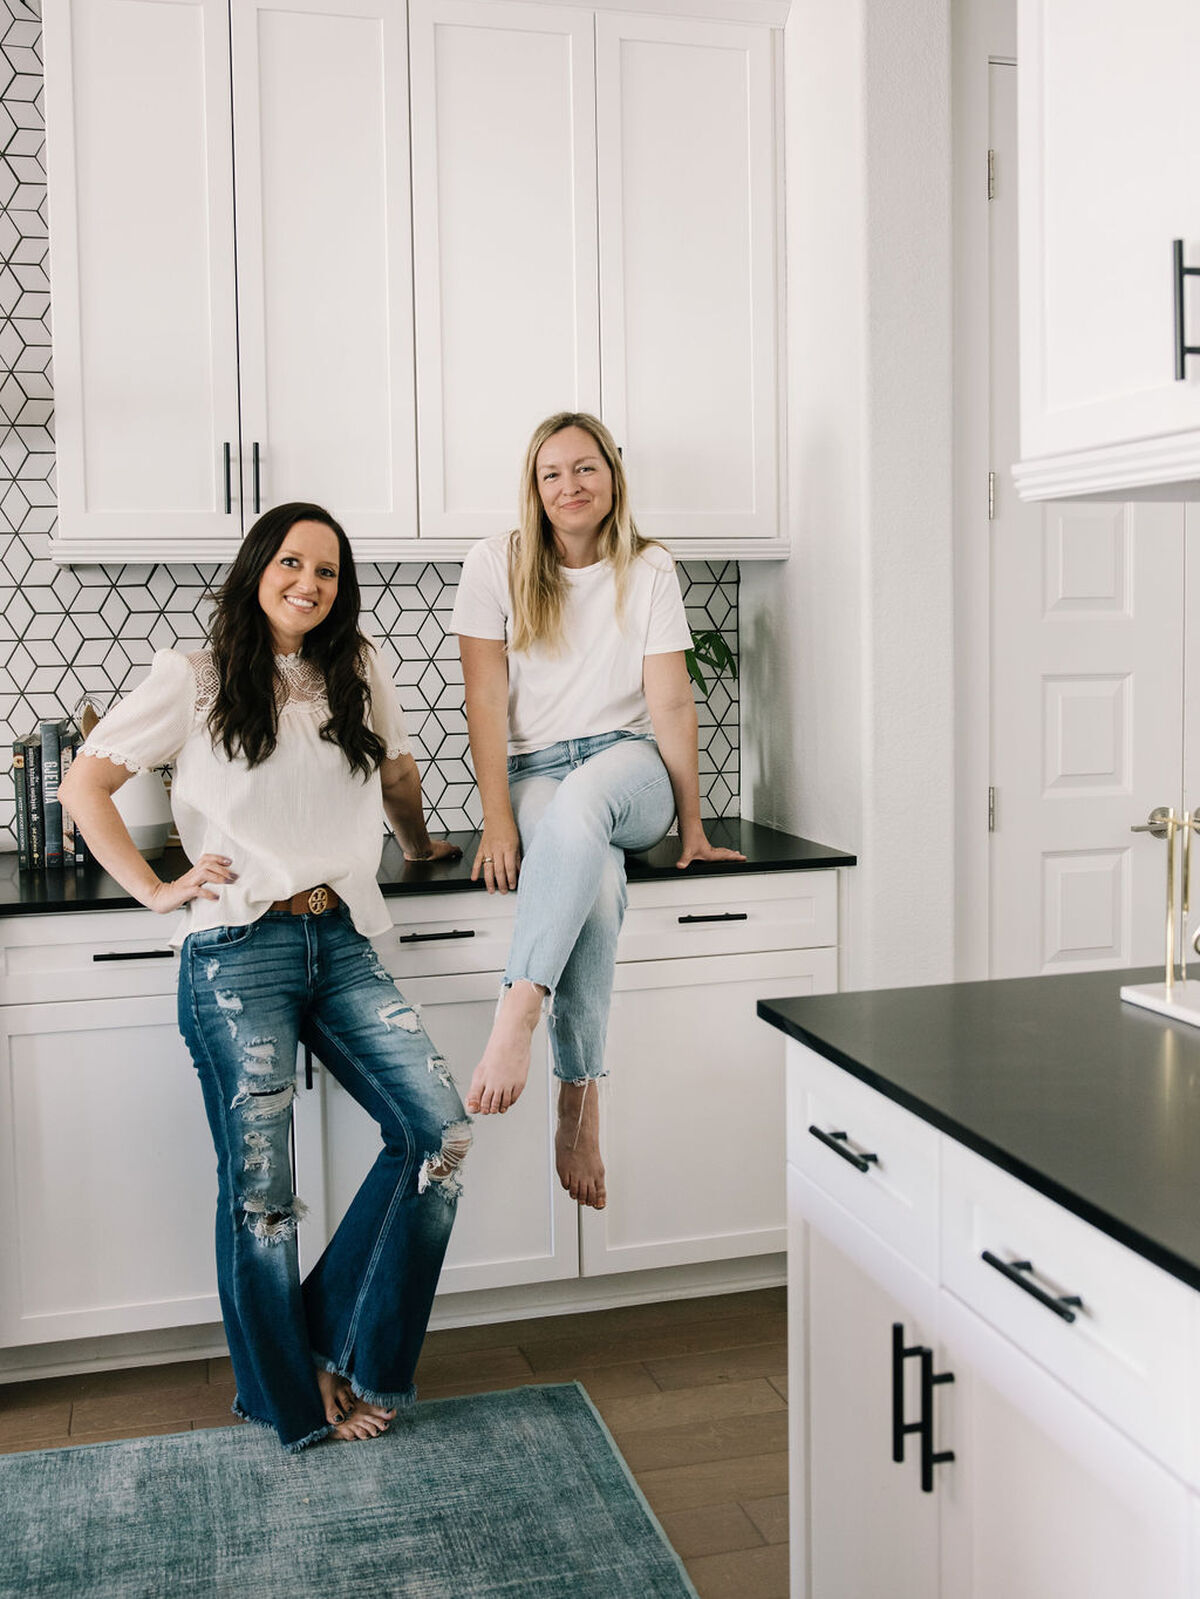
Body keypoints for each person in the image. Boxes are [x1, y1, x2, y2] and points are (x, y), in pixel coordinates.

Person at [59, 502, 470, 1453]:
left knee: (438, 1128)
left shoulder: (360, 667)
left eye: (327, 571)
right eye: (292, 562)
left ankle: (334, 1347)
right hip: (238, 949)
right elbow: (86, 780)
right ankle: (289, 1399)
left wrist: (416, 843)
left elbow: (399, 777)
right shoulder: (194, 676)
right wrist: (158, 890)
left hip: (344, 933)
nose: (309, 584)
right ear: (258, 568)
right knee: (262, 1192)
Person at [450, 412, 744, 1210]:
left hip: (629, 766)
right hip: (535, 774)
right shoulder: (495, 563)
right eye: (553, 473)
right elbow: (484, 699)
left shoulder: (649, 568)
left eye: (586, 468)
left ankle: (520, 1009)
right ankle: (580, 1101)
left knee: (586, 806)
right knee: (598, 883)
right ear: (534, 487)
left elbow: (672, 701)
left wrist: (693, 827)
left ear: (612, 476)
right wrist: (498, 818)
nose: (570, 485)